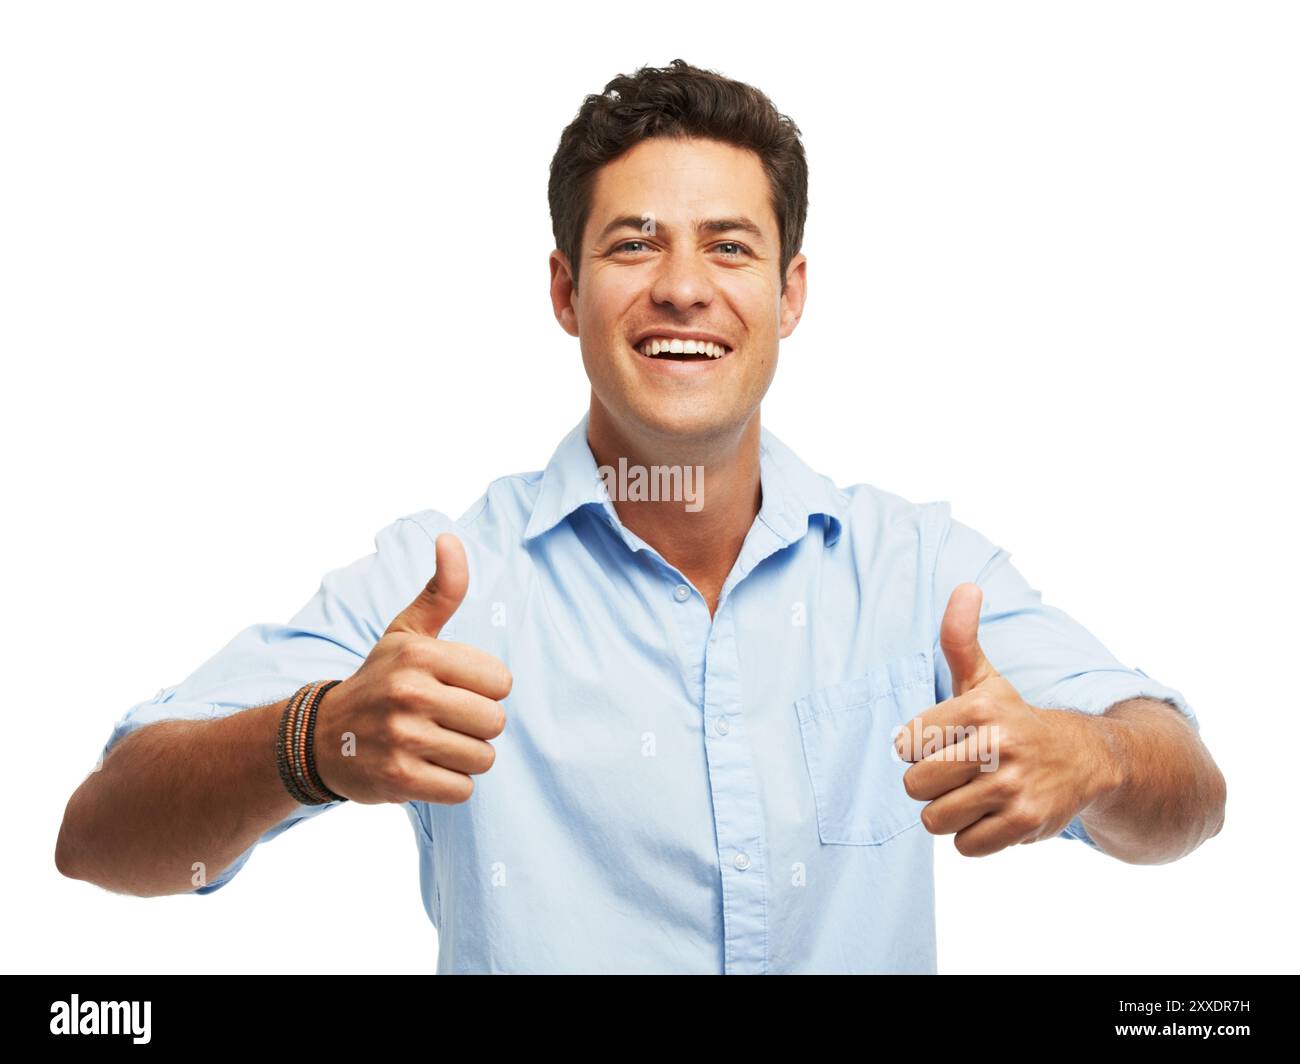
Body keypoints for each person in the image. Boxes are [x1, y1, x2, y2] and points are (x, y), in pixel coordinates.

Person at [55, 58, 1226, 975]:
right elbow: (101, 837)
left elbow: (1191, 797)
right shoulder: (446, 581)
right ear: (564, 291)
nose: (681, 285)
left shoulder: (919, 569)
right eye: (633, 244)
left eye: (729, 245)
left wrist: (1100, 757)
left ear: (789, 292)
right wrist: (313, 740)